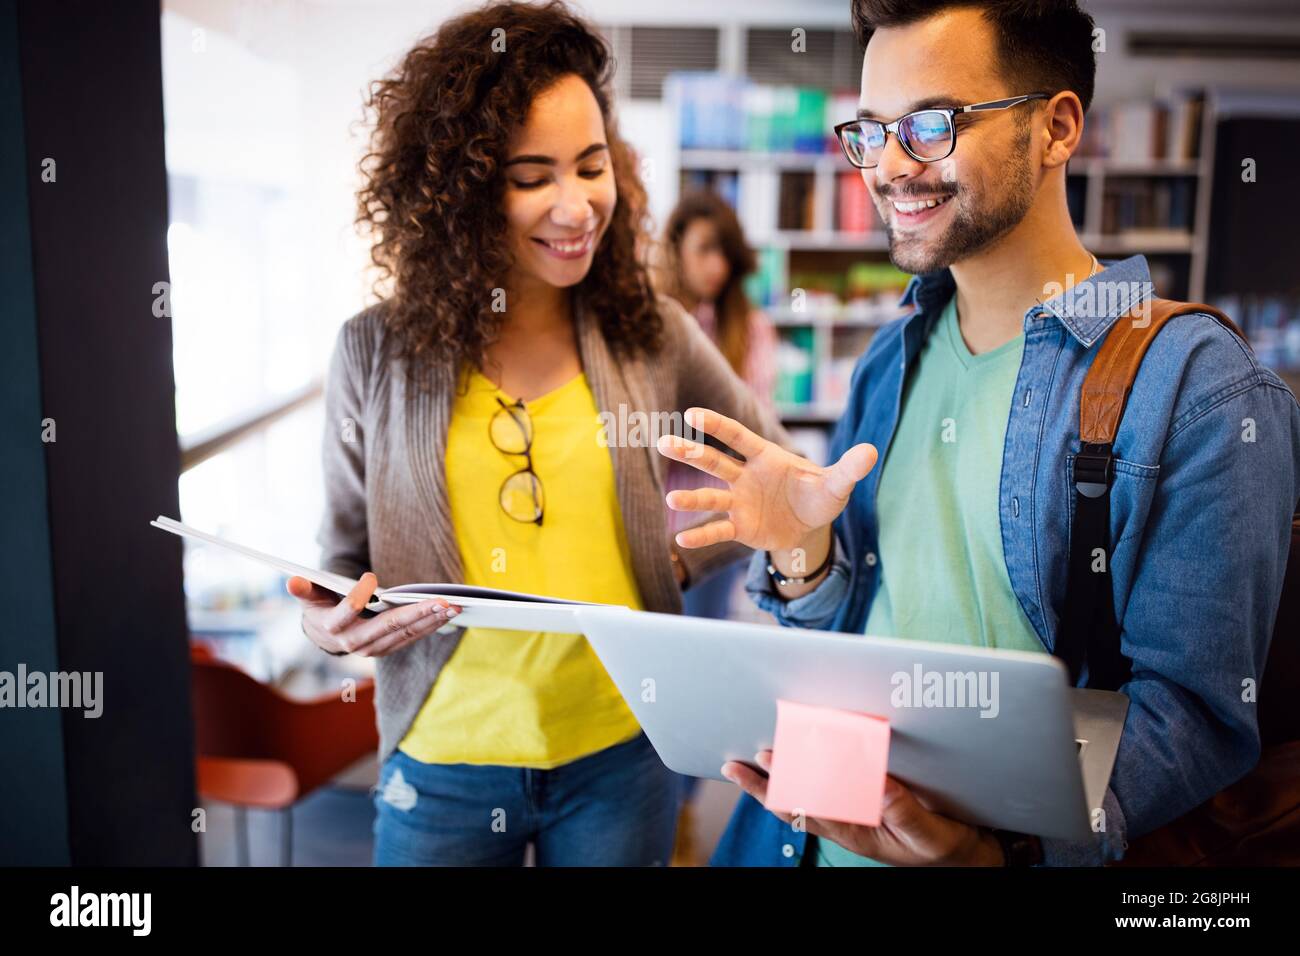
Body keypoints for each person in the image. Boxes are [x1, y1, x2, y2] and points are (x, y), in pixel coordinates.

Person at [658, 0, 1300, 867]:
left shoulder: (1201, 388)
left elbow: (1195, 715)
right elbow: (854, 627)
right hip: (793, 837)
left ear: (1058, 127)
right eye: (873, 129)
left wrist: (1005, 854)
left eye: (930, 125)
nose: (888, 165)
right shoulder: (893, 357)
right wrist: (804, 553)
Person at [287, 0, 785, 867]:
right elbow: (339, 563)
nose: (576, 205)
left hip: (620, 751)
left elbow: (768, 469)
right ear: (464, 190)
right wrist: (331, 629)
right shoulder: (374, 351)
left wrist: (670, 559)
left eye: (592, 166)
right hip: (441, 762)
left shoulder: (651, 332)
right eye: (531, 177)